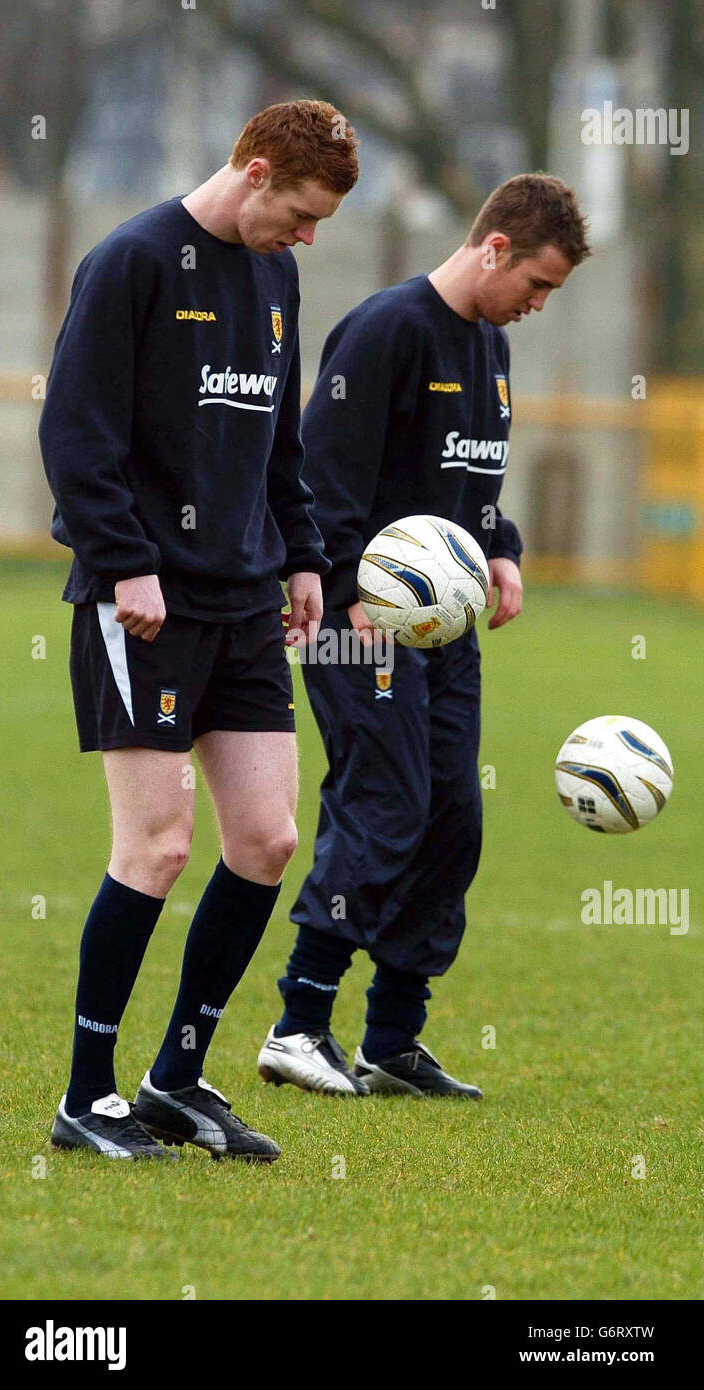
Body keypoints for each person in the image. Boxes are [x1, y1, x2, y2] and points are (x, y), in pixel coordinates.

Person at [39, 100, 358, 1160]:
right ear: (256, 171)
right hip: (145, 604)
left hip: (246, 597)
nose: (307, 237)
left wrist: (304, 555)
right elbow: (72, 429)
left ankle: (176, 1076)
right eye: (301, 214)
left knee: (267, 841)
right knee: (159, 845)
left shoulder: (278, 277)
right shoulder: (130, 260)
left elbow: (278, 444)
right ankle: (87, 1097)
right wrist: (126, 556)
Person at [258, 173, 591, 1098]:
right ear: (494, 249)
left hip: (443, 627)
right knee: (387, 801)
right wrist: (345, 589)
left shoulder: (488, 343)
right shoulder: (387, 330)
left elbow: (468, 483)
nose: (537, 306)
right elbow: (317, 478)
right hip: (351, 622)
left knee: (452, 816)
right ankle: (298, 1023)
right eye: (537, 285)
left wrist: (503, 551)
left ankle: (393, 1038)